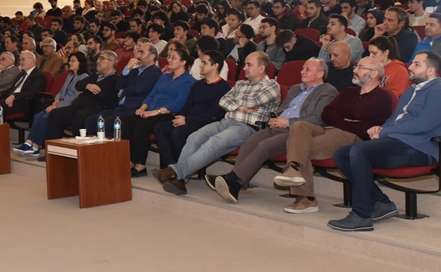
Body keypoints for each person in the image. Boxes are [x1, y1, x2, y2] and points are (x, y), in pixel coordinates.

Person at [328, 51, 441, 231]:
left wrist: (386, 132)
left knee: (359, 151)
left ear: (431, 71)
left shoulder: (440, 91)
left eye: (417, 64)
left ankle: (361, 215)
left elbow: (422, 125)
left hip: (421, 147)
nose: (410, 67)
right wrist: (381, 128)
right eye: (412, 63)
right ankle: (381, 203)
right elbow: (395, 118)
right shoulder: (411, 90)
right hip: (399, 142)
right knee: (342, 154)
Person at [208, 58, 338, 204]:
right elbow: (281, 110)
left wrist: (287, 122)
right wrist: (274, 118)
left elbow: (318, 118)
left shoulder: (327, 90)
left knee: (265, 146)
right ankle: (236, 184)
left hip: (298, 132)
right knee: (250, 143)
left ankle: (232, 179)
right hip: (277, 126)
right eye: (302, 68)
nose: (302, 72)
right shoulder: (295, 88)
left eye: (307, 69)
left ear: (320, 73)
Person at [273, 57, 394, 213]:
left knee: (301, 149)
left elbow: (366, 121)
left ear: (373, 73)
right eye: (356, 67)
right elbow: (327, 113)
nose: (355, 70)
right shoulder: (349, 92)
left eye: (360, 67)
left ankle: (305, 196)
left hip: (353, 135)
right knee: (299, 125)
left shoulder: (383, 97)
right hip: (332, 129)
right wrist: (347, 119)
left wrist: (344, 118)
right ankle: (294, 169)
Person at [152, 52, 281, 195]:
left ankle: (174, 172)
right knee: (193, 138)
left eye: (249, 65)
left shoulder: (271, 86)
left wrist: (235, 103)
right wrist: (240, 106)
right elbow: (223, 101)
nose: (244, 68)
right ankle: (180, 179)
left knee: (212, 143)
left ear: (261, 68)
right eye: (245, 64)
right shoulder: (240, 84)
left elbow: (253, 102)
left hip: (246, 127)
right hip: (225, 122)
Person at [153, 50, 231, 169]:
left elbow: (215, 114)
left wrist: (186, 120)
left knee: (178, 132)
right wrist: (180, 117)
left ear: (215, 66)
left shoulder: (224, 88)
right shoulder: (198, 84)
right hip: (190, 119)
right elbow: (188, 105)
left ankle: (180, 168)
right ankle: (172, 165)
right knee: (160, 128)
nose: (200, 65)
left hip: (206, 123)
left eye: (204, 63)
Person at [127, 46, 196, 176]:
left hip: (168, 114)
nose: (169, 60)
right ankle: (131, 160)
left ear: (183, 62)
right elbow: (152, 95)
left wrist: (154, 112)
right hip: (152, 112)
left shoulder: (188, 81)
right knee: (128, 122)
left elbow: (178, 104)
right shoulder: (165, 77)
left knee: (142, 125)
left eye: (174, 58)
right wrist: (142, 108)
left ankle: (141, 164)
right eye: (169, 57)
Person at [14, 53, 90, 157]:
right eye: (70, 60)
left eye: (73, 61)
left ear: (80, 62)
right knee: (38, 115)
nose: (70, 63)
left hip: (70, 107)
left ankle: (36, 146)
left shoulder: (84, 77)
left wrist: (57, 106)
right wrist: (57, 99)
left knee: (46, 117)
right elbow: (61, 91)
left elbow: (74, 97)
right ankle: (29, 142)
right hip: (60, 104)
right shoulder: (70, 75)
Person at [44, 51, 120, 141]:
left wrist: (84, 91)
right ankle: (54, 146)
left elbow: (101, 94)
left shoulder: (115, 78)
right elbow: (78, 84)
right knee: (55, 114)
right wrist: (88, 86)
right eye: (98, 58)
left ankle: (78, 147)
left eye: (101, 58)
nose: (98, 61)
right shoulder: (95, 76)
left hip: (95, 109)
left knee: (80, 117)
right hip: (78, 106)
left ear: (110, 63)